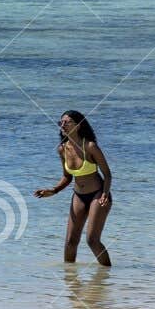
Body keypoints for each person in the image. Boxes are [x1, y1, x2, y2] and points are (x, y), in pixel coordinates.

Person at [34, 109, 114, 265]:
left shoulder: (90, 146)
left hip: (98, 194)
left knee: (92, 240)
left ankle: (107, 276)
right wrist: (54, 190)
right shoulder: (62, 149)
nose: (62, 125)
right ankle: (69, 277)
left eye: (67, 122)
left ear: (78, 125)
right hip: (78, 196)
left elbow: (107, 174)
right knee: (70, 241)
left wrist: (105, 193)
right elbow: (67, 176)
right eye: (61, 122)